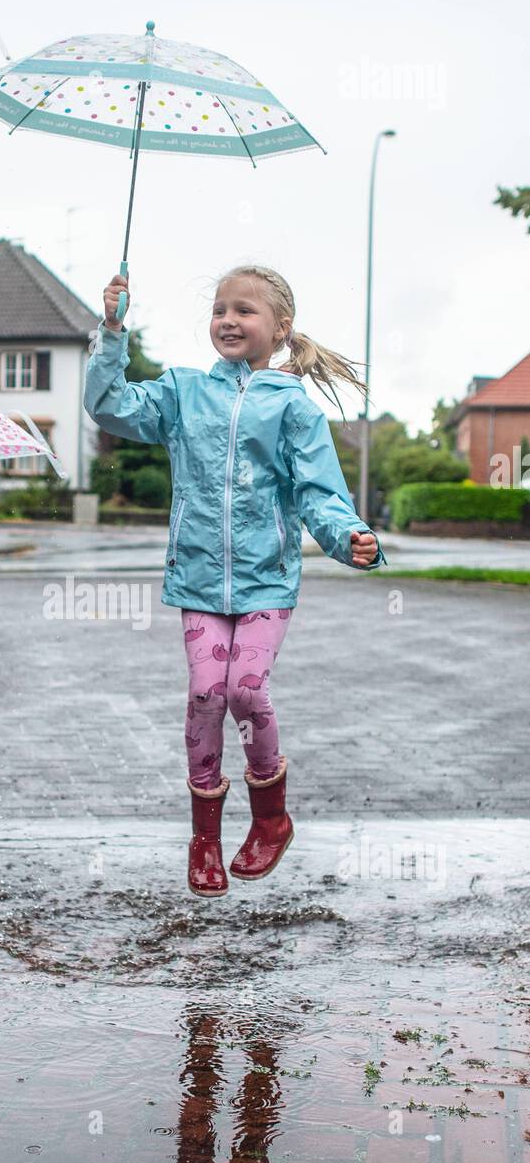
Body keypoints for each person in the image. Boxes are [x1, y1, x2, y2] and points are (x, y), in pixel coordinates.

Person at [84, 264, 387, 900]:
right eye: (221, 308)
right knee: (204, 695)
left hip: (266, 582)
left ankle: (271, 817)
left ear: (279, 329)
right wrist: (112, 330)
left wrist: (347, 538)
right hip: (197, 581)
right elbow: (108, 405)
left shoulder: (293, 408)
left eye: (245, 311)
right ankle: (205, 839)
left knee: (246, 692)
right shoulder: (181, 392)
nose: (228, 319)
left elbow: (319, 494)